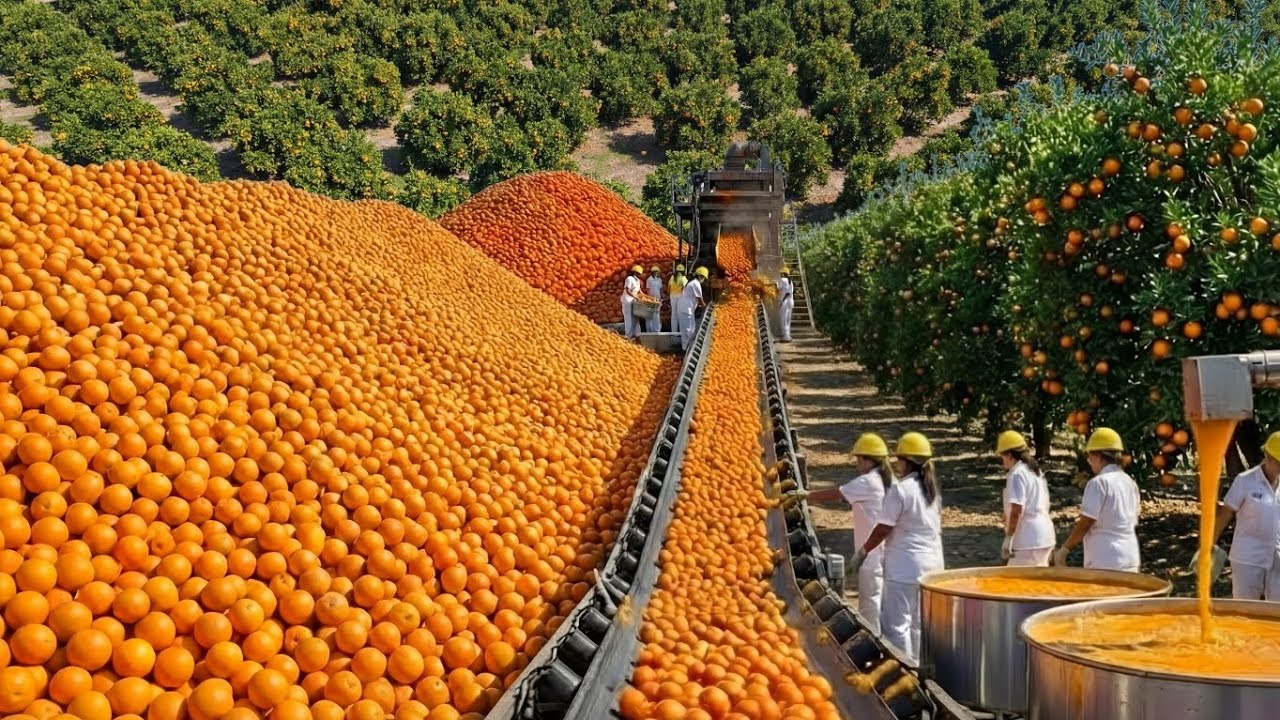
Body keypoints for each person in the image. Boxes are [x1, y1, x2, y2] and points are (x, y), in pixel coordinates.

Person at [853, 432, 943, 665]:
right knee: (917, 624)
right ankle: (918, 668)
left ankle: (905, 673)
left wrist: (864, 551)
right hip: (932, 567)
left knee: (895, 627)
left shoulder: (901, 490)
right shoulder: (931, 490)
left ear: (906, 461)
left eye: (899, 460)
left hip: (905, 566)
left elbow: (883, 528)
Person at [806, 433, 894, 633]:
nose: (857, 464)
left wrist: (806, 496)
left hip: (871, 556)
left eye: (858, 459)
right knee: (885, 608)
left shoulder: (868, 482)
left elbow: (837, 494)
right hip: (889, 554)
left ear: (866, 459)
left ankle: (875, 649)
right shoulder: (889, 481)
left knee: (869, 609)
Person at [1195, 431, 1280, 599]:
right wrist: (1207, 547)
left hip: (1276, 557)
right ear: (1268, 457)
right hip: (1248, 557)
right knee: (1245, 608)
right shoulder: (1245, 481)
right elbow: (1225, 514)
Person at [1054, 428, 1140, 571]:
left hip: (1105, 559)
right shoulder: (1129, 481)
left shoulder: (1098, 483)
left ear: (1099, 456)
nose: (1088, 461)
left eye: (1090, 456)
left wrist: (1065, 549)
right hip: (1129, 556)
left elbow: (1086, 523)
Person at [996, 431, 1055, 567]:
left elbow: (1017, 509)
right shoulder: (1034, 470)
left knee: (1017, 583)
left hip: (1028, 540)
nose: (1002, 460)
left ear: (1009, 455)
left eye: (1002, 456)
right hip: (1044, 535)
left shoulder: (1017, 474)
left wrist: (1009, 537)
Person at [679, 267, 707, 350]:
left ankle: (687, 347)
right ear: (700, 276)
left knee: (692, 329)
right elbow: (700, 299)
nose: (704, 280)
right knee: (687, 331)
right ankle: (684, 349)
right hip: (685, 309)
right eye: (703, 278)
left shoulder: (693, 283)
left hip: (688, 309)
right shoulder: (696, 284)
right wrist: (705, 308)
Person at [621, 265, 643, 340]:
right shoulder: (629, 279)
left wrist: (645, 297)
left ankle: (637, 335)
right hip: (627, 300)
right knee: (628, 318)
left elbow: (639, 291)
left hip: (634, 301)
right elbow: (627, 290)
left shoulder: (638, 281)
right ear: (634, 273)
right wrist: (635, 296)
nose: (638, 275)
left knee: (635, 318)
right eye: (637, 273)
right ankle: (628, 336)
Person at [668, 264, 688, 337]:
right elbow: (685, 289)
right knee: (680, 314)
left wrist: (670, 294)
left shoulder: (672, 277)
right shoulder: (683, 278)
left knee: (674, 314)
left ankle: (674, 333)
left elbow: (668, 288)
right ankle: (681, 332)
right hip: (680, 297)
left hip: (672, 296)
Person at [644, 266, 664, 333]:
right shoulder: (649, 280)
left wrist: (662, 297)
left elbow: (661, 290)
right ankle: (650, 330)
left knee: (657, 314)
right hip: (651, 299)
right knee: (651, 314)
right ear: (653, 272)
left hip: (658, 299)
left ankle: (657, 329)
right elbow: (648, 290)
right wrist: (651, 298)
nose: (657, 273)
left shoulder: (659, 280)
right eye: (656, 272)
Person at [777, 267, 794, 342]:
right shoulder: (790, 281)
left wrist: (782, 301)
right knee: (787, 319)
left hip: (785, 302)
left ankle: (786, 337)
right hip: (790, 302)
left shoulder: (783, 280)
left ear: (783, 273)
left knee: (783, 319)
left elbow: (779, 288)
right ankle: (788, 335)